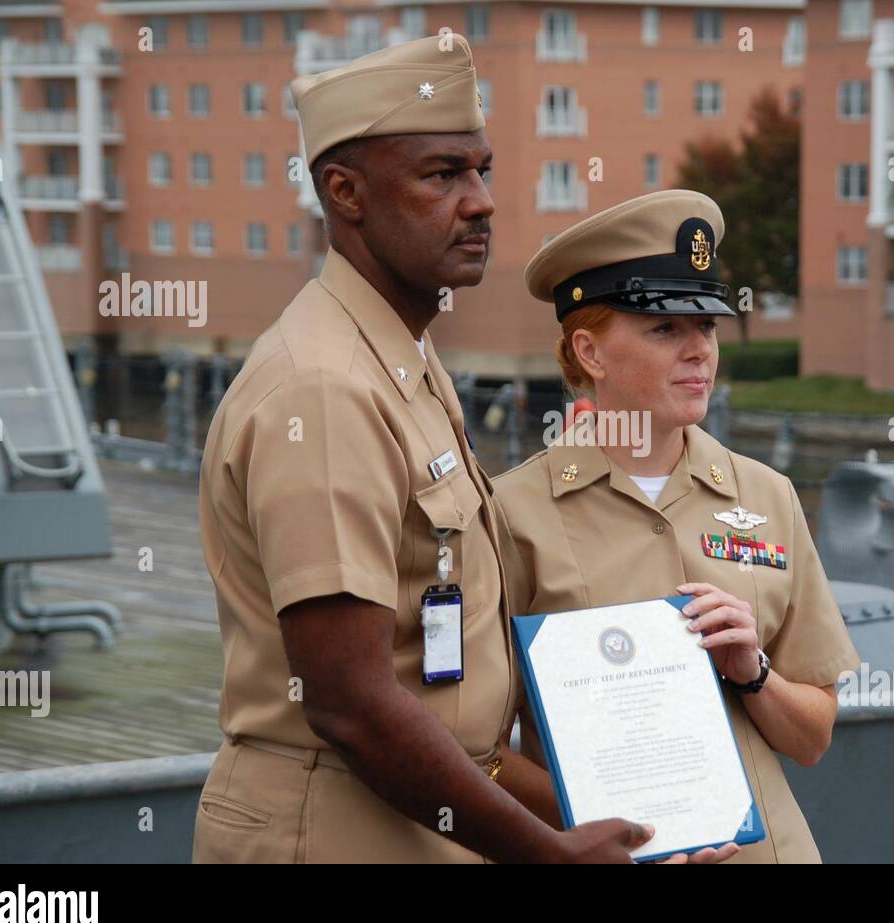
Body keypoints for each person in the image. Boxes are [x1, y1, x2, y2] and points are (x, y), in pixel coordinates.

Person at [192, 33, 662, 863]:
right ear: (346, 194)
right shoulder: (326, 390)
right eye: (442, 175)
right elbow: (351, 703)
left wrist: (623, 820)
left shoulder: (400, 357)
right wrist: (548, 854)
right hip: (335, 832)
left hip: (422, 816)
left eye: (481, 170)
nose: (481, 200)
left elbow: (437, 693)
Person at [492, 190, 862, 863]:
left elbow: (813, 738)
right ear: (590, 352)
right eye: (665, 329)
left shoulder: (767, 496)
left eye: (708, 327)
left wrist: (753, 672)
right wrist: (614, 829)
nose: (699, 351)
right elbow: (479, 753)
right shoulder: (510, 516)